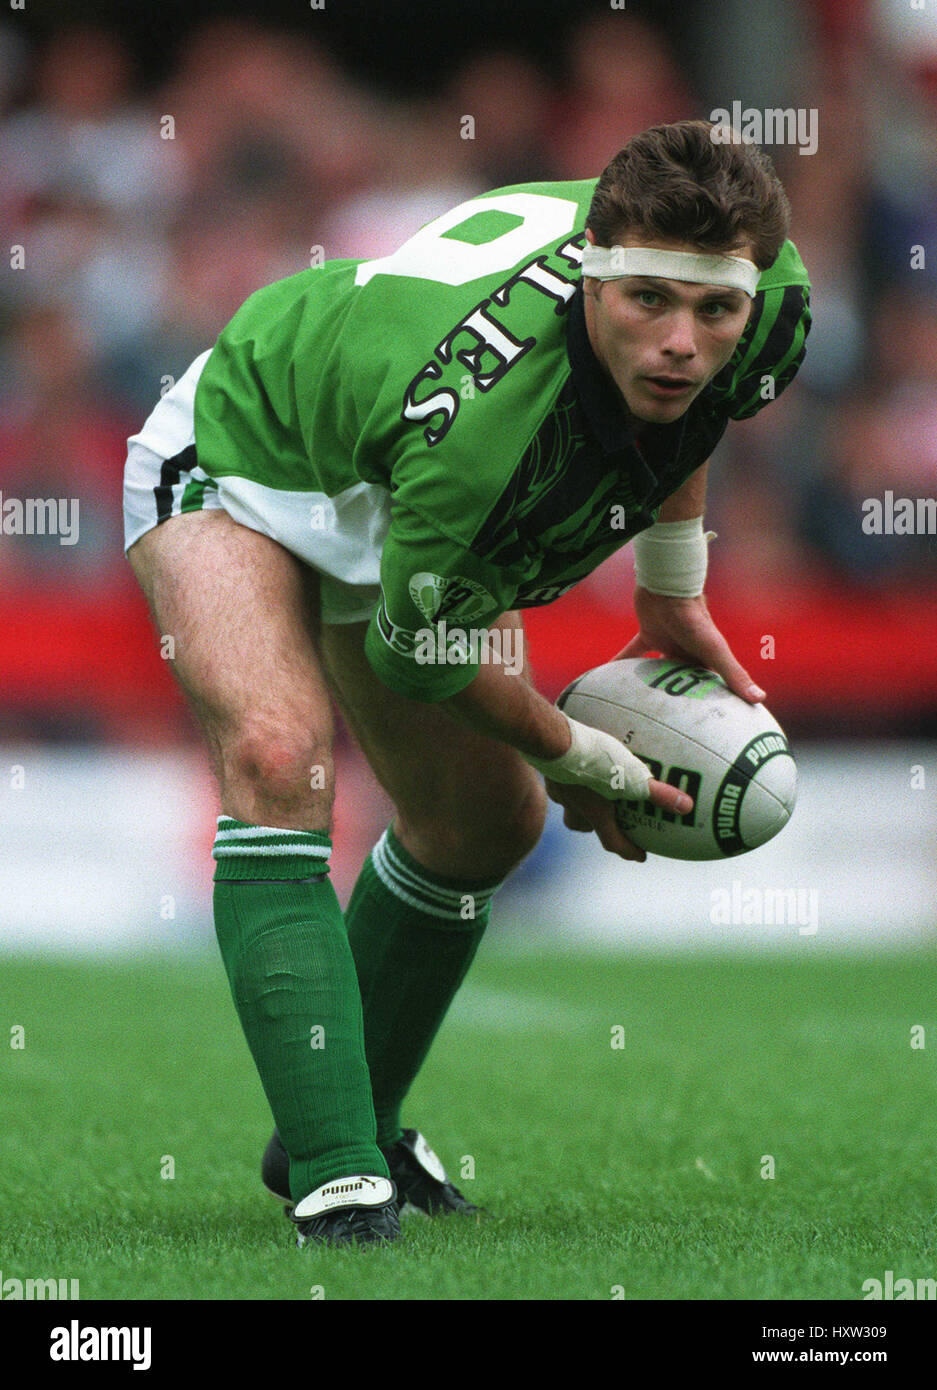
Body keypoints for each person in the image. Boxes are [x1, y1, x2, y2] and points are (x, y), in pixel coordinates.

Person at [123, 120, 810, 1247]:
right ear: (590, 270)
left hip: (399, 466)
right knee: (277, 755)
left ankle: (347, 1123)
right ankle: (340, 1175)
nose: (681, 341)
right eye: (645, 301)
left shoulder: (764, 287)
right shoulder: (486, 434)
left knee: (485, 822)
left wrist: (671, 587)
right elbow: (419, 653)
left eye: (710, 311)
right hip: (251, 447)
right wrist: (585, 753)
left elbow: (696, 413)